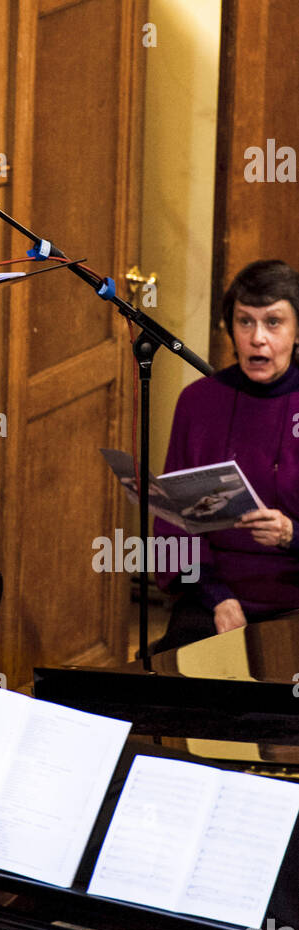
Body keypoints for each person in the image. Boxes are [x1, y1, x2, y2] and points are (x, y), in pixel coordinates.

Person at [152, 259, 299, 651]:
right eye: (244, 321)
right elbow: (172, 524)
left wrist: (291, 534)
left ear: (297, 331)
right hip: (214, 594)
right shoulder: (198, 403)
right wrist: (218, 597)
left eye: (273, 322)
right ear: (230, 329)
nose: (257, 338)